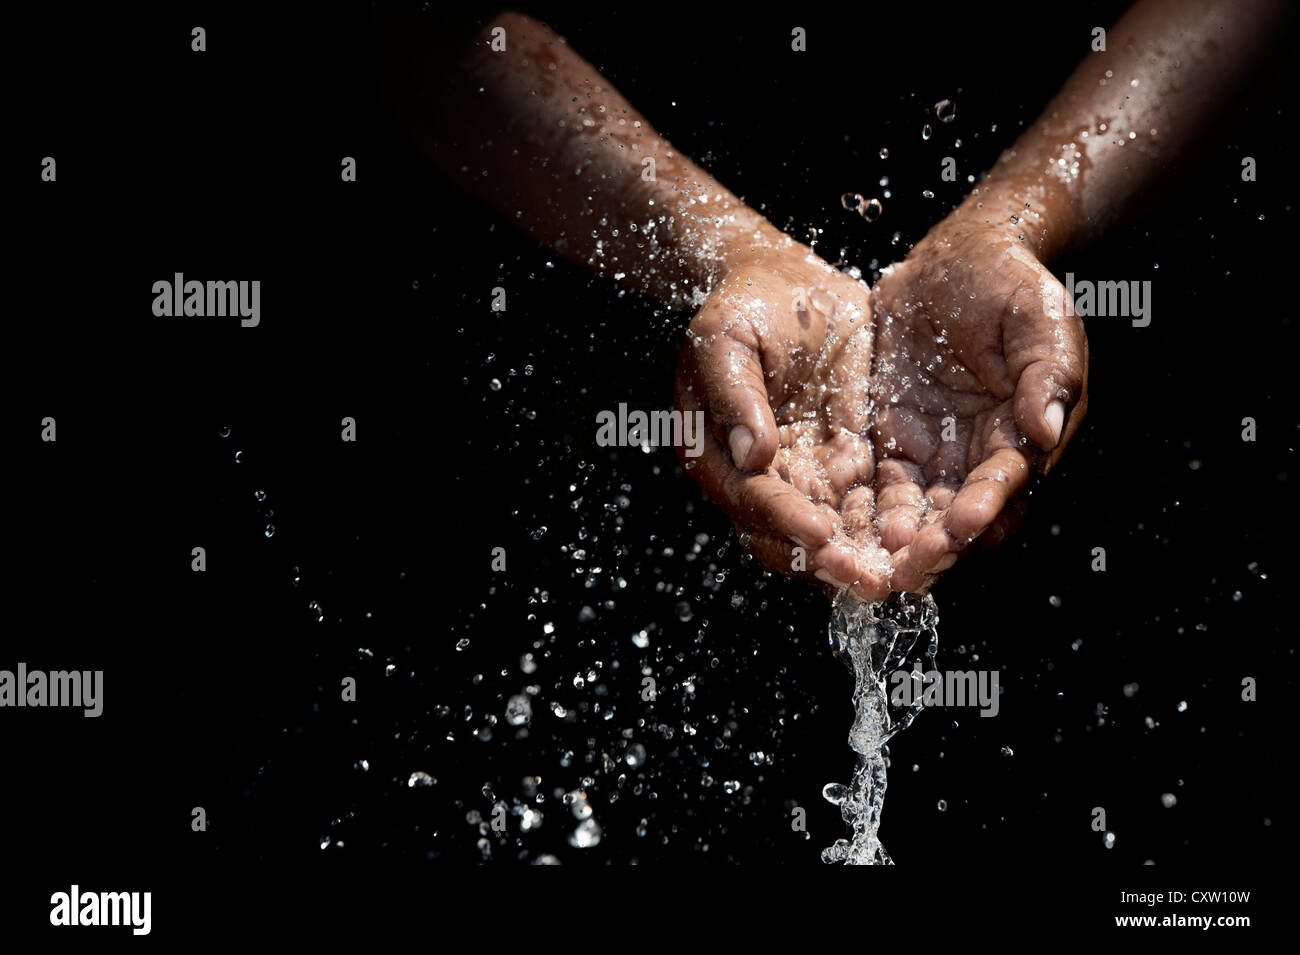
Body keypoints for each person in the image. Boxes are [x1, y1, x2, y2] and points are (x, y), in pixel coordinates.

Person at [385, 0, 1286, 601]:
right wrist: (725, 250)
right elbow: (413, 26)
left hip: (1130, 246)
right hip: (592, 250)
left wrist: (1021, 216)